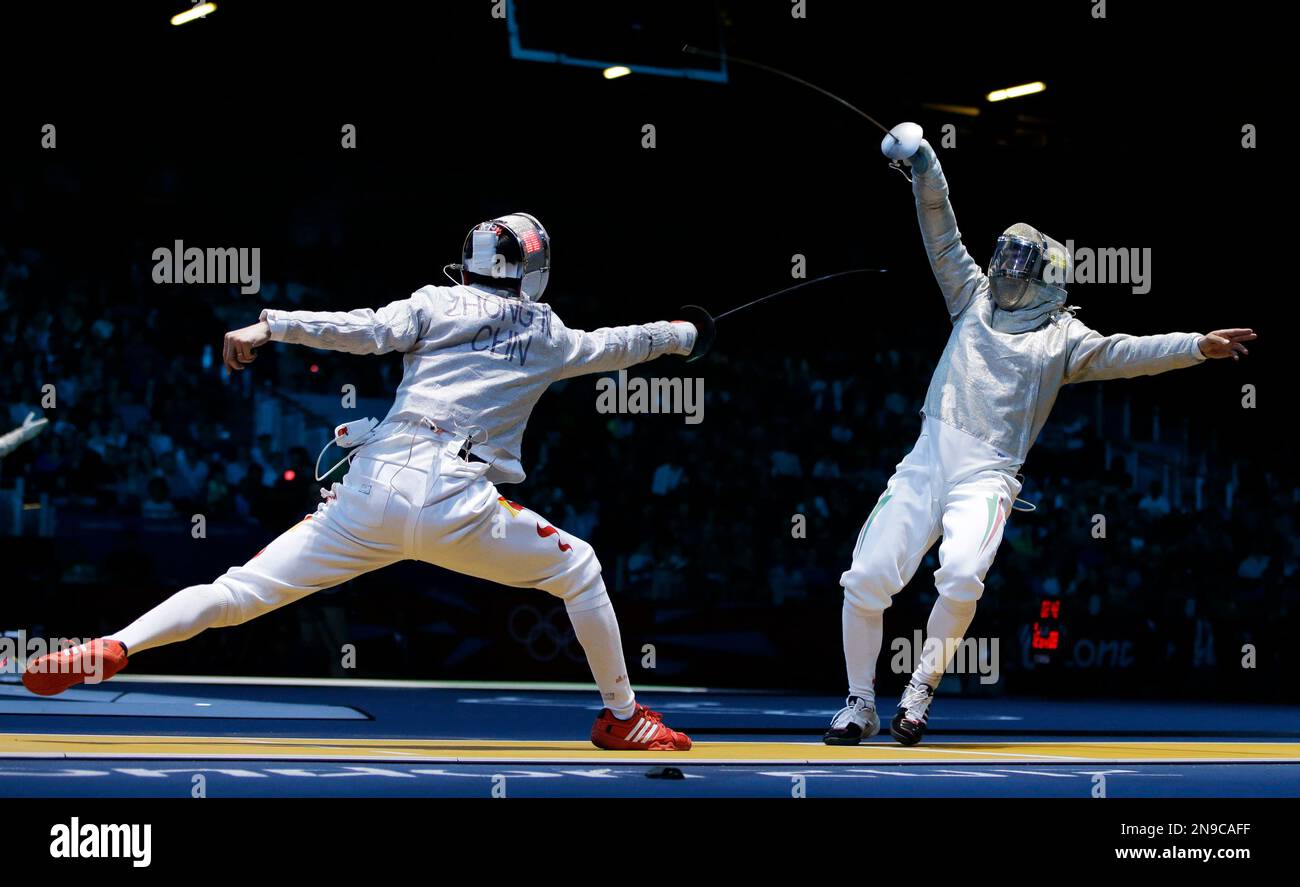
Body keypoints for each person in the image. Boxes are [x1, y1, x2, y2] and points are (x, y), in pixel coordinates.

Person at [24, 213, 699, 752]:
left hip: (370, 488)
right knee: (579, 568)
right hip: (455, 500)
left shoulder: (436, 301)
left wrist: (273, 325)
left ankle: (121, 643)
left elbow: (367, 331)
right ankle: (621, 717)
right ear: (531, 269)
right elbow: (623, 343)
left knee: (236, 589)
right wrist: (684, 332)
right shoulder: (548, 333)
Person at [824, 141, 1256, 746]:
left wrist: (1194, 345)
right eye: (1001, 260)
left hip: (988, 474)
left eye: (1014, 265)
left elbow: (1126, 353)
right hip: (927, 459)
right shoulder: (969, 298)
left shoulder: (1063, 339)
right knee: (866, 576)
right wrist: (924, 162)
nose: (1001, 271)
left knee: (964, 573)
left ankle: (918, 693)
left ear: (1042, 278)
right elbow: (941, 228)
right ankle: (859, 704)